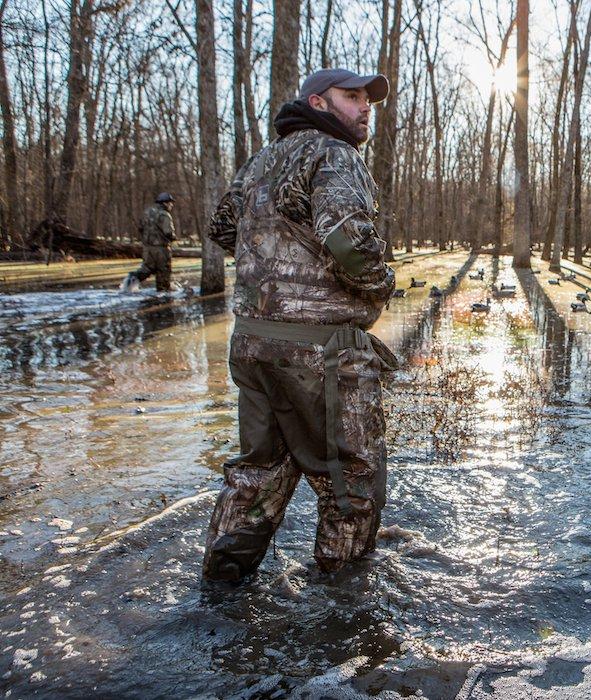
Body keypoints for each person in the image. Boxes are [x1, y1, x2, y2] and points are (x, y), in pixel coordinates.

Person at [201, 68, 398, 581]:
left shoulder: (260, 161)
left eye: (366, 99)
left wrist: (274, 272)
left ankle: (221, 586)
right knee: (351, 480)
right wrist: (381, 286)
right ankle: (343, 603)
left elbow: (223, 227)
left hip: (252, 343)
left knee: (257, 474)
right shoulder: (335, 154)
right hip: (320, 352)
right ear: (318, 102)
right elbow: (349, 242)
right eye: (350, 97)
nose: (363, 107)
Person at [122, 192, 176, 291]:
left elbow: (140, 228)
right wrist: (173, 238)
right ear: (165, 203)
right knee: (163, 272)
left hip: (147, 248)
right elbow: (168, 232)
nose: (171, 205)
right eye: (170, 203)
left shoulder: (147, 213)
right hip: (162, 249)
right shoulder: (165, 215)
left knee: (146, 269)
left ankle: (130, 280)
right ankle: (163, 296)